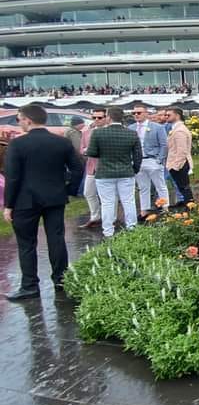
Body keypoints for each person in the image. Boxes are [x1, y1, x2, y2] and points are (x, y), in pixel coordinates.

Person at [3, 104, 83, 301]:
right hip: (55, 197)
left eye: (19, 119)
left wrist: (8, 205)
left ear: (28, 120)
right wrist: (68, 190)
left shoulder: (17, 144)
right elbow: (77, 168)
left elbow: (12, 177)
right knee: (56, 239)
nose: (19, 123)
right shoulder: (61, 142)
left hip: (25, 199)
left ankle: (30, 285)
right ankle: (61, 280)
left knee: (26, 243)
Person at [85, 107, 142, 238]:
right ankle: (132, 228)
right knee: (128, 201)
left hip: (104, 172)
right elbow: (138, 155)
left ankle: (108, 231)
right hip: (126, 172)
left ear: (108, 117)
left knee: (107, 203)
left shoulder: (98, 133)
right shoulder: (132, 134)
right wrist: (135, 169)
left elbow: (92, 153)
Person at [129, 105, 169, 218]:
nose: (136, 115)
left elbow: (164, 144)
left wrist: (160, 160)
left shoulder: (157, 127)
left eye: (139, 113)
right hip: (138, 161)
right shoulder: (131, 128)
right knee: (143, 187)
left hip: (152, 159)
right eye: (134, 113)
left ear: (146, 113)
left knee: (160, 185)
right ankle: (144, 210)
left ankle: (165, 208)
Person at [79, 107, 105, 228]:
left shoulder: (109, 131)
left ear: (106, 118)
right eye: (94, 117)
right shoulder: (86, 132)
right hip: (91, 167)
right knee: (88, 192)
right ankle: (95, 216)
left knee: (107, 195)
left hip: (105, 167)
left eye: (99, 117)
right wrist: (87, 151)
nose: (96, 120)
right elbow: (82, 149)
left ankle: (110, 217)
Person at [165, 107, 194, 206]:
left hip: (179, 164)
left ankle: (189, 207)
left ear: (177, 116)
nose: (166, 117)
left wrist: (175, 166)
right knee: (183, 187)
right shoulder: (177, 129)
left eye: (169, 115)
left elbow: (181, 150)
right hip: (178, 163)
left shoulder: (179, 130)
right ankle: (188, 206)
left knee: (184, 188)